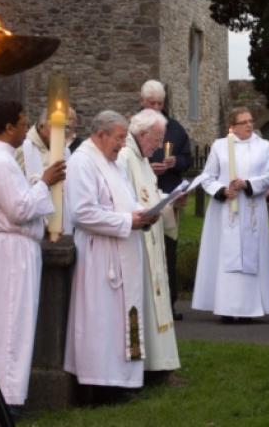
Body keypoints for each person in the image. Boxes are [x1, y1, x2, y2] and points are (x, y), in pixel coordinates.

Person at [0, 100, 66, 415]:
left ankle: (5, 393)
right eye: (22, 122)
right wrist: (44, 183)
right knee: (10, 323)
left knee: (9, 322)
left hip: (11, 249)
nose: (26, 127)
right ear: (9, 127)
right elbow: (18, 210)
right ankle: (6, 397)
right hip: (10, 253)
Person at [63, 111, 157, 391]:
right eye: (119, 138)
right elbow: (82, 212)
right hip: (100, 256)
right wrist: (129, 221)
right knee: (101, 320)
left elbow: (123, 201)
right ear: (100, 134)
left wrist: (144, 215)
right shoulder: (83, 162)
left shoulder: (111, 162)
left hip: (122, 248)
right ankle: (99, 383)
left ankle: (122, 380)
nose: (122, 144)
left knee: (121, 319)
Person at [191, 107, 269, 322]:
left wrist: (248, 184)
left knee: (250, 256)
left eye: (251, 120)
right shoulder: (220, 147)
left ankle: (249, 309)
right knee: (226, 257)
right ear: (233, 126)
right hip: (226, 210)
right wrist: (222, 190)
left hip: (251, 208)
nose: (249, 125)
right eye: (244, 122)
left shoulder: (263, 146)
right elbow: (207, 177)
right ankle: (226, 308)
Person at [117, 108, 181, 374]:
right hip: (137, 240)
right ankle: (148, 364)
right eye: (156, 139)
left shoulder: (141, 158)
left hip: (151, 237)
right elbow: (123, 199)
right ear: (142, 134)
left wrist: (168, 198)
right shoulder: (125, 157)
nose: (158, 146)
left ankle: (159, 362)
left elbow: (150, 193)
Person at [141, 79, 193, 321]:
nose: (155, 107)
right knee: (146, 251)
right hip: (142, 197)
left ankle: (169, 304)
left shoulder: (175, 128)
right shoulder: (134, 127)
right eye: (151, 103)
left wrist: (175, 163)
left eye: (160, 103)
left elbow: (187, 159)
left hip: (169, 193)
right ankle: (147, 303)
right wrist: (147, 166)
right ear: (142, 102)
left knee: (168, 250)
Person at [16, 107, 72, 185]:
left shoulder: (65, 151)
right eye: (54, 126)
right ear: (41, 127)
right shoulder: (23, 148)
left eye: (63, 127)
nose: (59, 131)